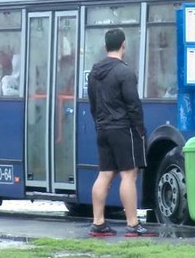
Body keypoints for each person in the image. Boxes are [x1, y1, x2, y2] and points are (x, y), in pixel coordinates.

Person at [87, 29, 148, 237]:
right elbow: (133, 104)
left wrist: (99, 123)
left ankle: (98, 222)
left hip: (102, 128)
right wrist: (140, 129)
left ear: (105, 47)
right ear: (124, 45)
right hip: (123, 129)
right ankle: (132, 224)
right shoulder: (125, 72)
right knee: (128, 175)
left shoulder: (95, 72)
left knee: (104, 174)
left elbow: (93, 104)